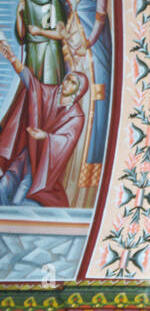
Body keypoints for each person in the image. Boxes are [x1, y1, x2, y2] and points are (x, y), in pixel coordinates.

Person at [0, 37, 87, 209]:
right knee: (5, 183)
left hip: (42, 163)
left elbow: (66, 141)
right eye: (68, 79)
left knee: (21, 196)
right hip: (28, 151)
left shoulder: (76, 115)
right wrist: (12, 58)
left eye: (73, 82)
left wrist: (45, 137)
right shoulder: (51, 93)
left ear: (78, 91)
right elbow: (31, 83)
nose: (67, 83)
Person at [58, 0, 111, 179]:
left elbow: (97, 34)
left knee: (93, 111)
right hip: (79, 69)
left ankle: (90, 167)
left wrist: (84, 43)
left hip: (93, 69)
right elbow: (73, 42)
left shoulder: (87, 6)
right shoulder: (76, 10)